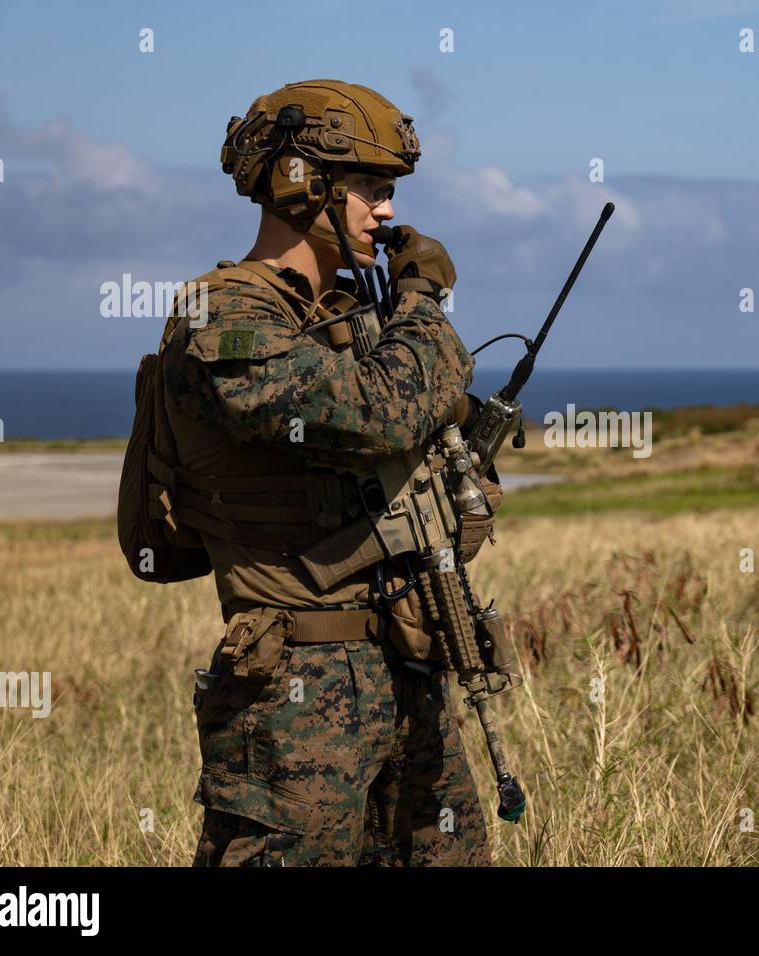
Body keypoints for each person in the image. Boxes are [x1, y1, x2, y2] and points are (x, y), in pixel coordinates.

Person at [158, 79, 498, 866]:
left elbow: (425, 425)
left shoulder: (352, 318)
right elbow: (379, 410)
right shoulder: (222, 320)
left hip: (404, 657)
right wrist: (423, 301)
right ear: (299, 185)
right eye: (371, 190)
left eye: (389, 192)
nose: (387, 213)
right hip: (294, 687)